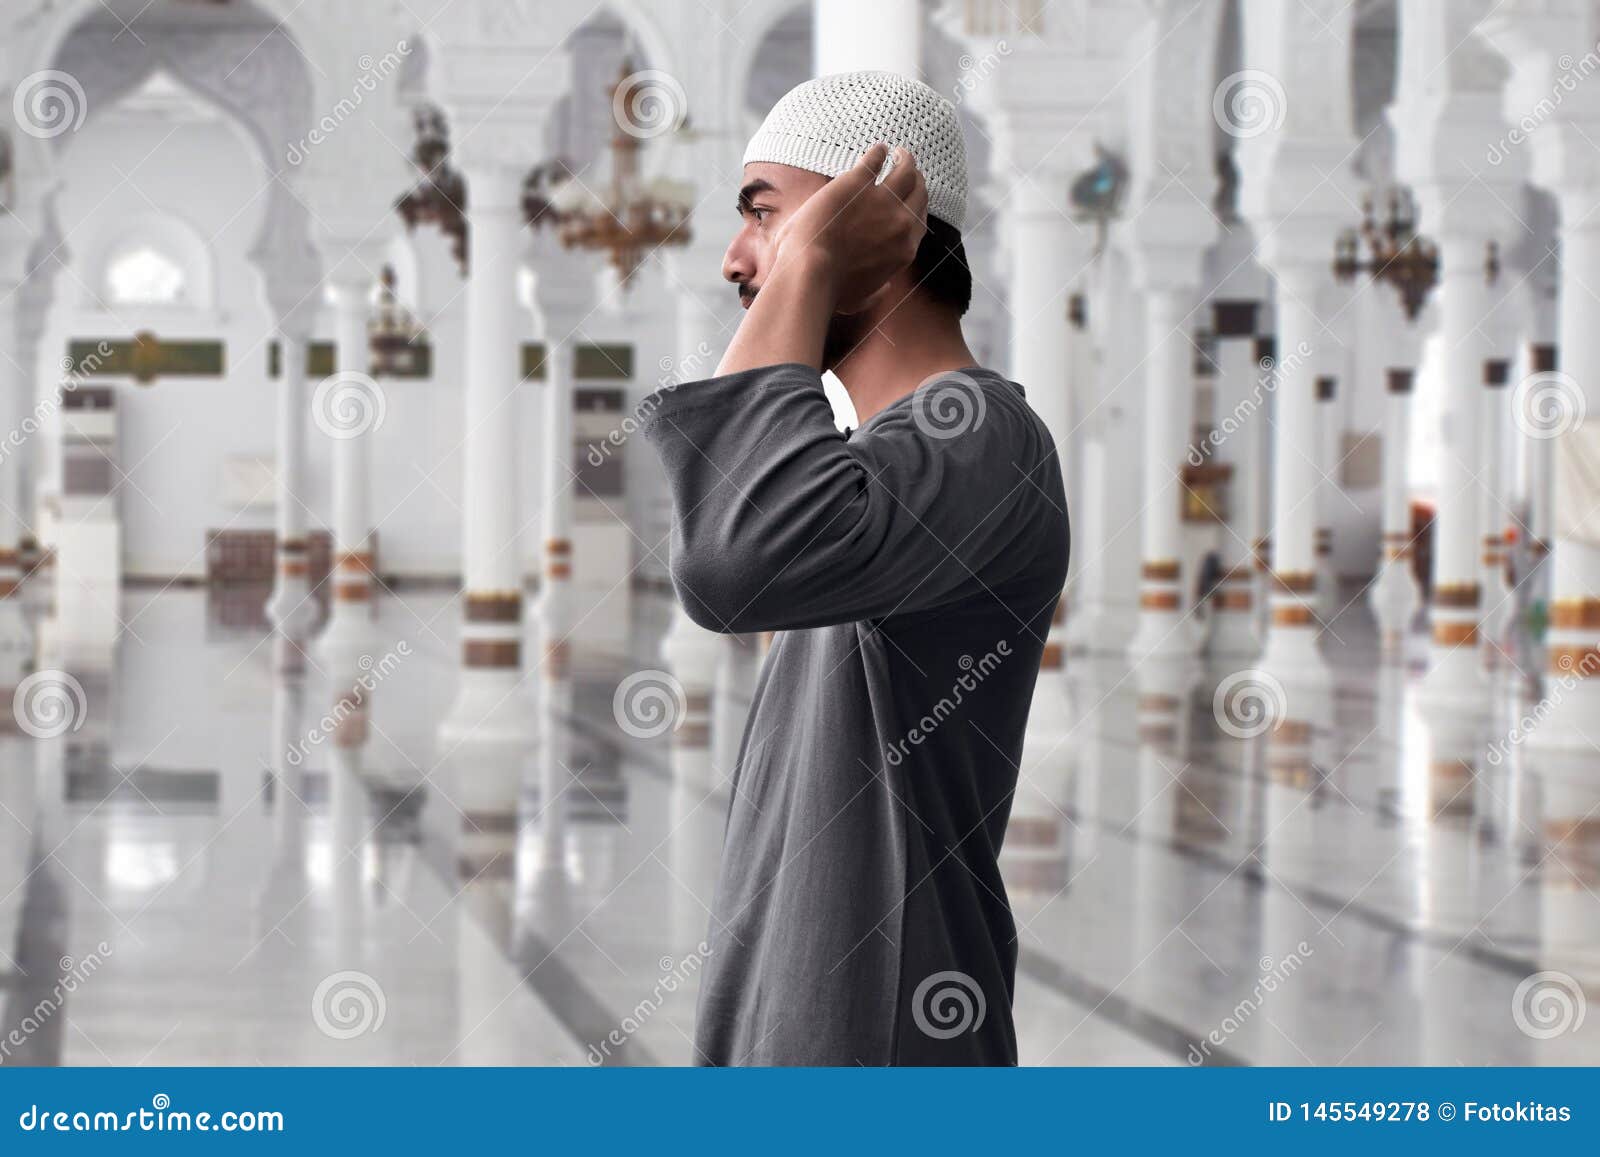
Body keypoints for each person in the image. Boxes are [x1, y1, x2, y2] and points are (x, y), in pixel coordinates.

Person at [639, 71, 1070, 1065]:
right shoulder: (872, 466)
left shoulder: (983, 441)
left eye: (764, 215)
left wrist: (810, 264)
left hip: (880, 1034)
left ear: (880, 228)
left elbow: (730, 566)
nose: (735, 258)